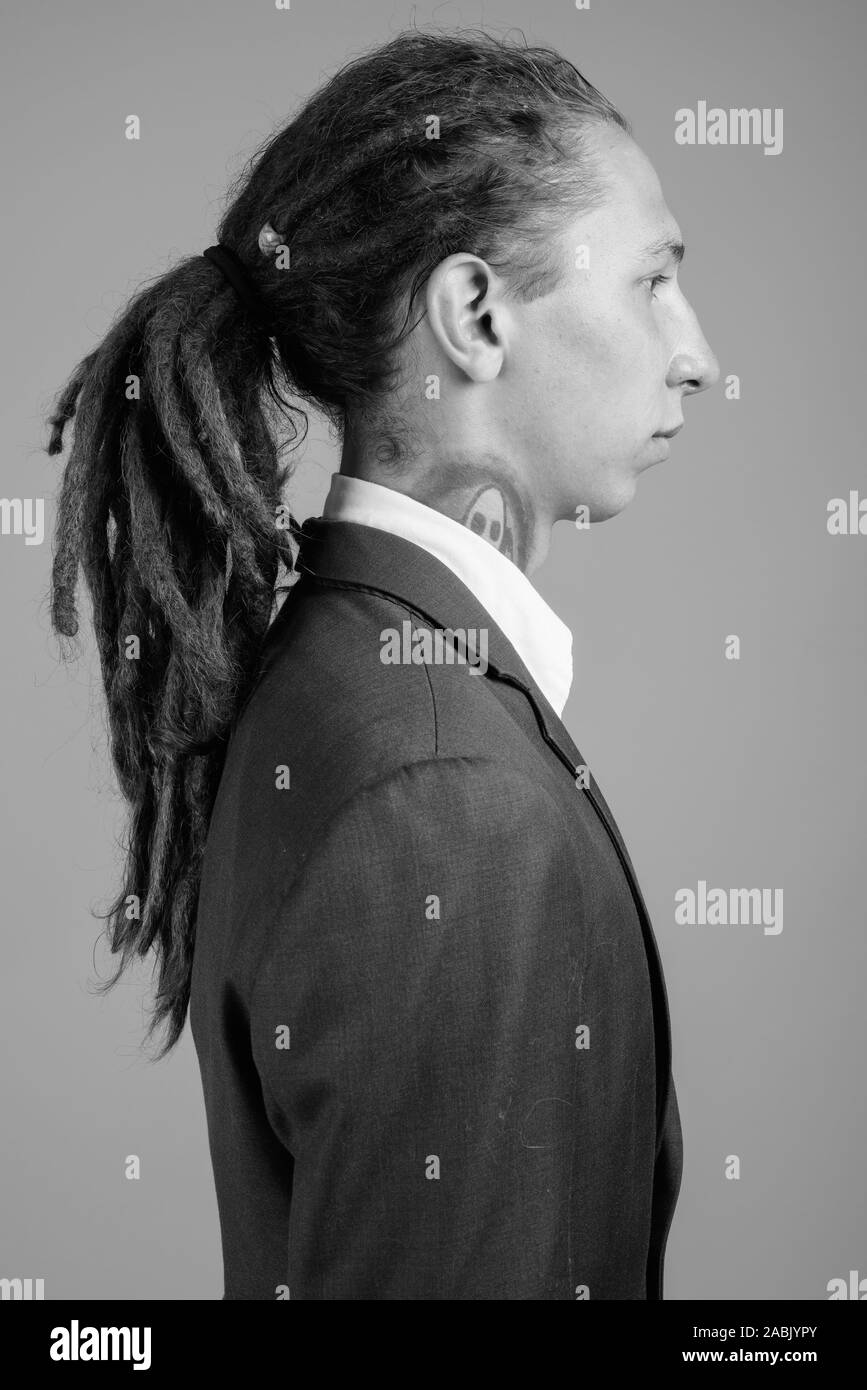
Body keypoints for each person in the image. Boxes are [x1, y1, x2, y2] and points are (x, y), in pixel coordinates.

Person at [45, 28, 718, 1300]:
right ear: (473, 316)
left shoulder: (347, 686)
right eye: (652, 280)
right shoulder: (447, 795)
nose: (697, 352)